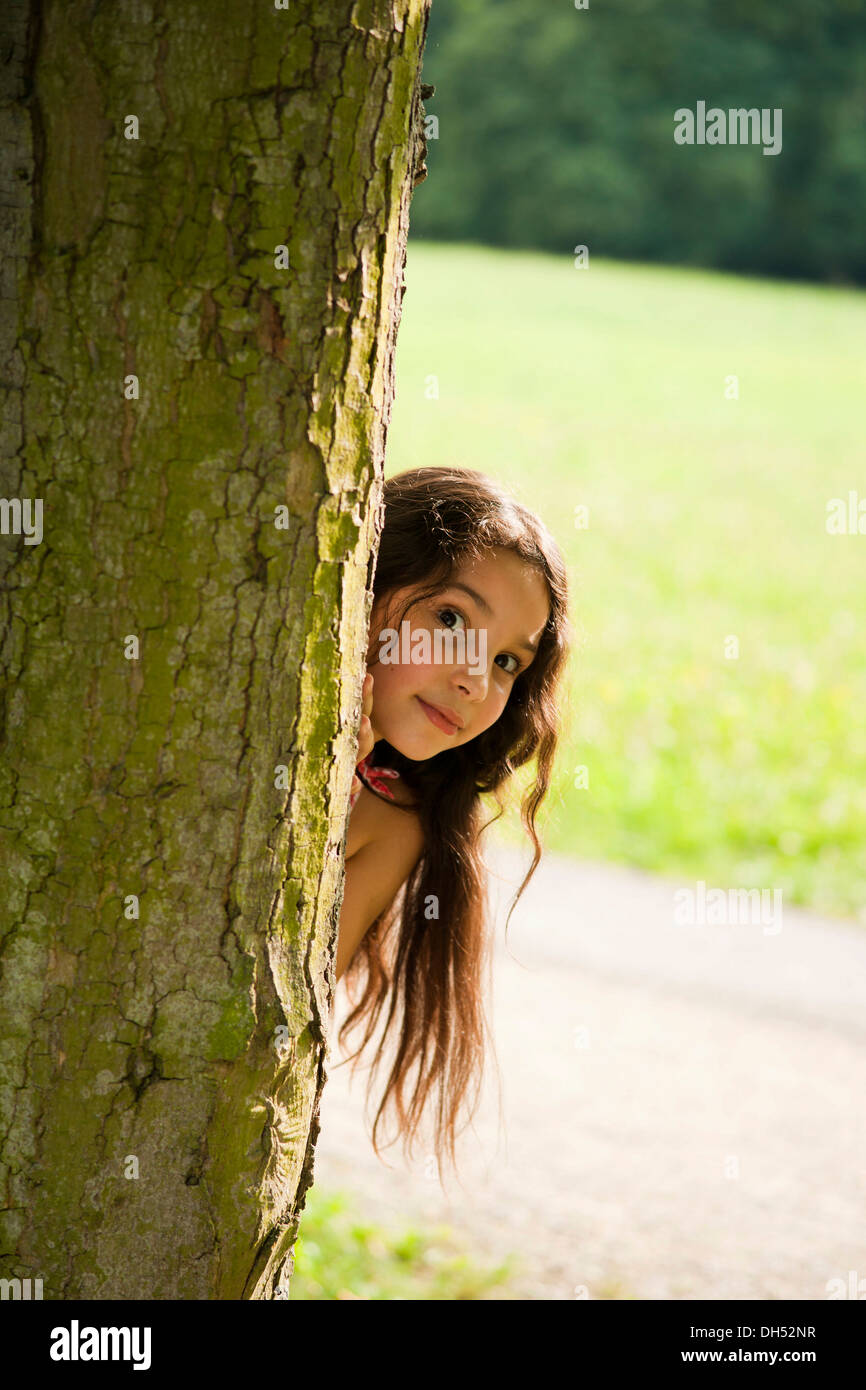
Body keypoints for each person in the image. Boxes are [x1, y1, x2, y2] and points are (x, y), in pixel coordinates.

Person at [335, 466, 570, 1174]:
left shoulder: (395, 826)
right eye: (450, 620)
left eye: (506, 661)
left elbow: (279, 1010)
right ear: (363, 586)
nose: (475, 678)